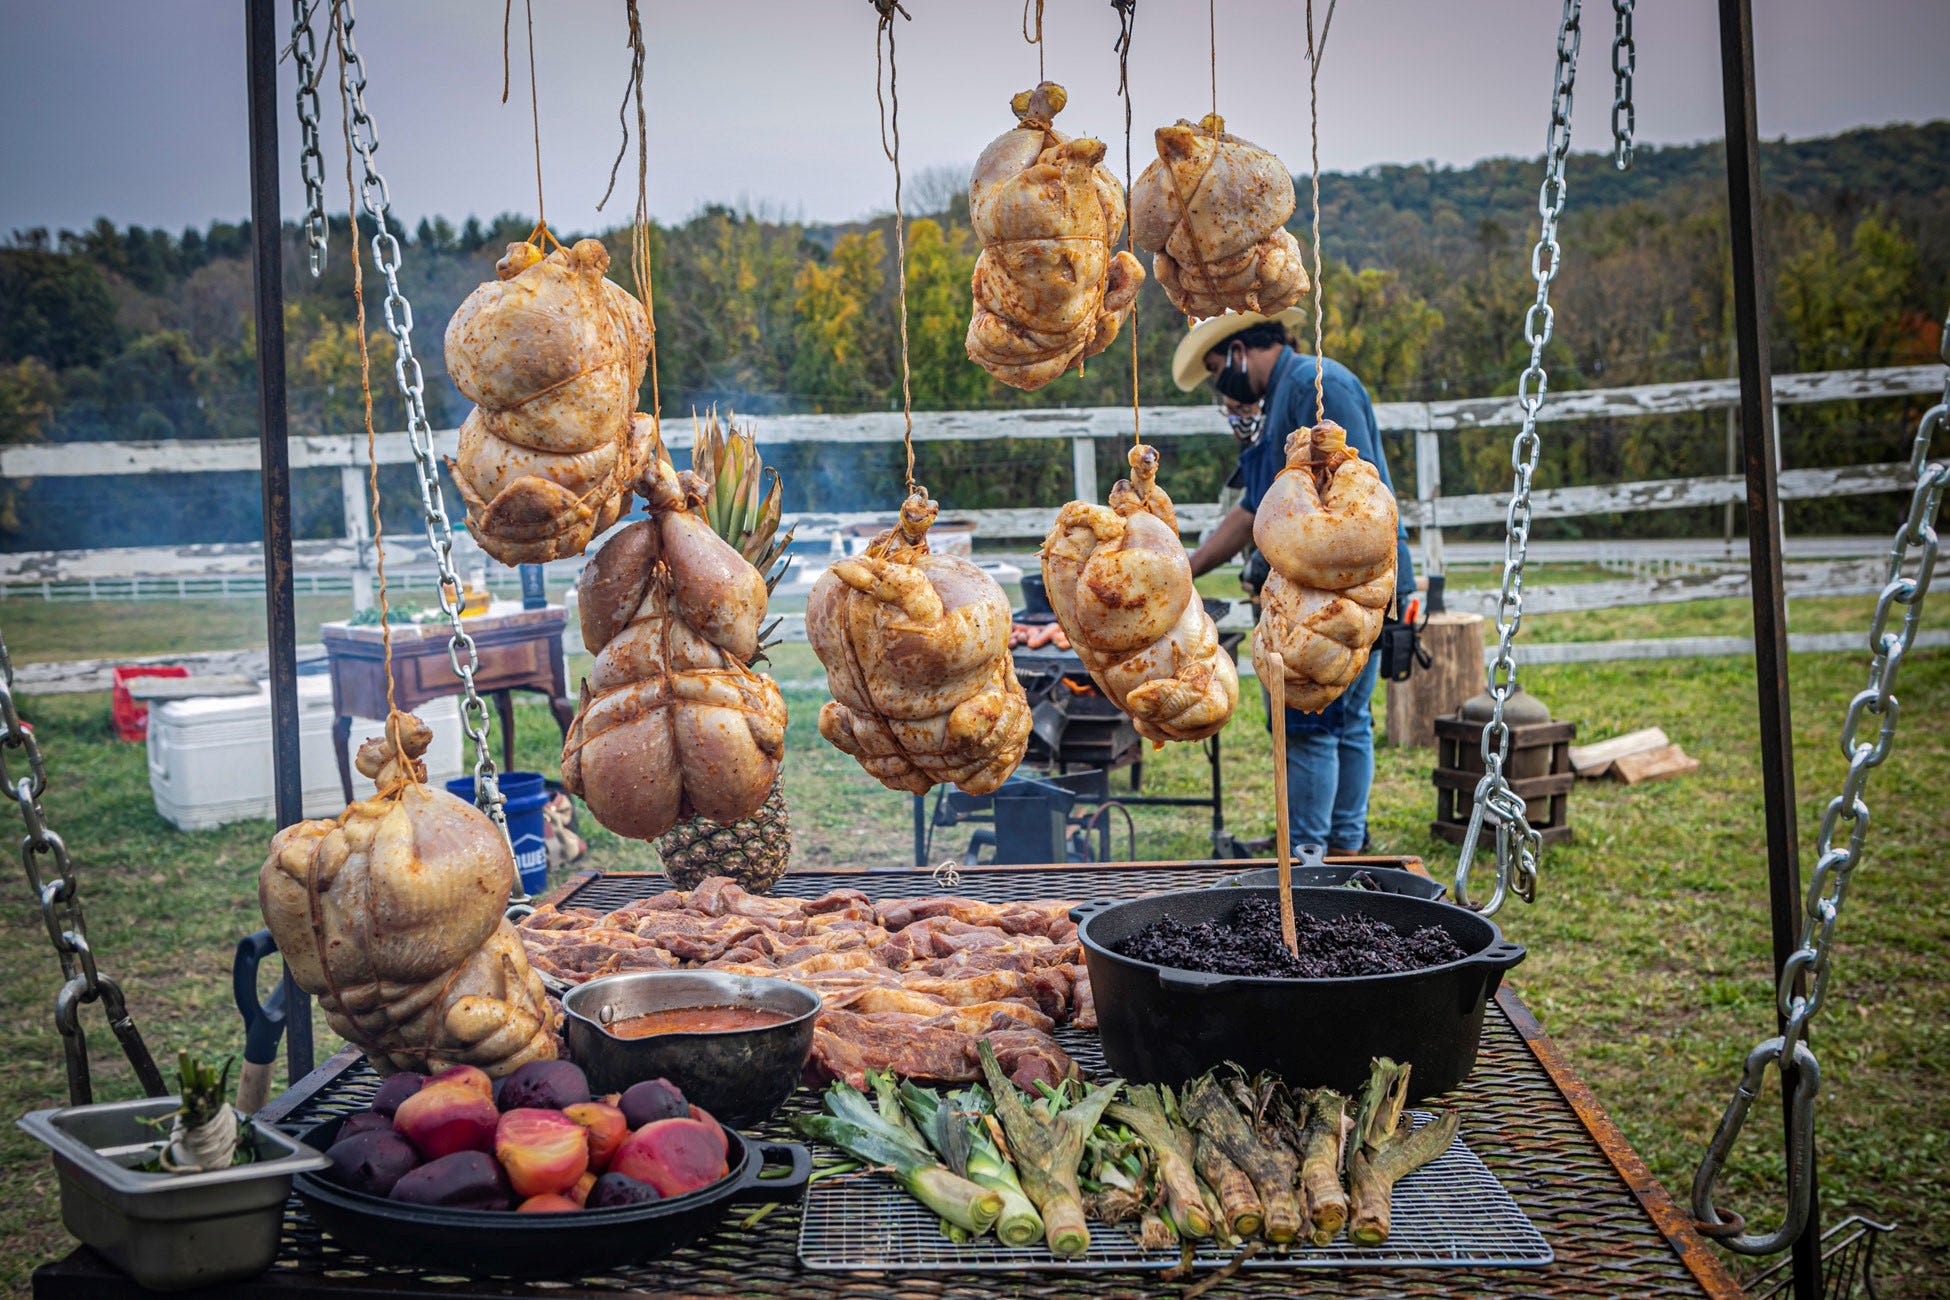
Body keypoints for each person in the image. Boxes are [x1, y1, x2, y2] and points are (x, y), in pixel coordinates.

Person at [1176, 309, 1414, 854]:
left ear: (1240, 350)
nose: (1222, 387)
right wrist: (1183, 570)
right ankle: (1336, 843)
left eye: (1217, 370)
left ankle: (1310, 849)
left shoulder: (1313, 384)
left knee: (1312, 719)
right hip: (1332, 589)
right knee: (1344, 719)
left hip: (1337, 593)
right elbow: (1252, 509)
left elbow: (1362, 493)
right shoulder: (1283, 399)